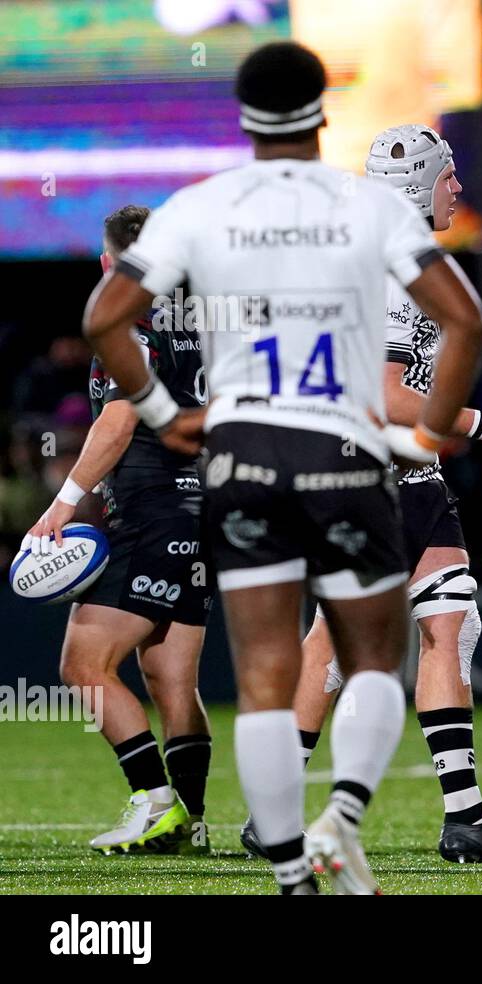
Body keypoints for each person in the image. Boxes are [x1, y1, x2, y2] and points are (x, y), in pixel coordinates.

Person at [82, 41, 482, 894]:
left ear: (242, 116)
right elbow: (466, 324)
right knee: (370, 661)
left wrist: (161, 413)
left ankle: (291, 873)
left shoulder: (202, 205)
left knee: (268, 673)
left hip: (244, 459)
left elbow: (105, 318)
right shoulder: (367, 207)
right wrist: (429, 437)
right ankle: (341, 816)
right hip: (342, 452)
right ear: (322, 114)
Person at [243, 124, 482, 864]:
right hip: (377, 470)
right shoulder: (395, 268)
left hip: (360, 467)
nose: (457, 188)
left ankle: (277, 810)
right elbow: (384, 391)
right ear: (419, 183)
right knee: (433, 629)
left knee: (372, 633)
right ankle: (464, 819)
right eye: (447, 176)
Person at [25, 205, 213, 856]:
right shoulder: (201, 314)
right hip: (201, 509)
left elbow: (117, 419)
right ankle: (191, 818)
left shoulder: (126, 319)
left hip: (152, 512)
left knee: (83, 664)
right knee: (170, 680)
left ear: (110, 262)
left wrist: (65, 503)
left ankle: (154, 802)